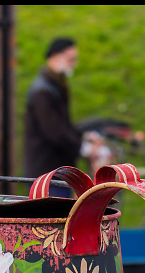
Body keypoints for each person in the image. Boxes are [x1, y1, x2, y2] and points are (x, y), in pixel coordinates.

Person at [24, 37, 108, 190]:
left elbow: (63, 126)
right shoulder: (43, 90)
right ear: (56, 57)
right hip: (48, 176)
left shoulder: (53, 86)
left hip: (54, 173)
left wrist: (83, 137)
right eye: (71, 59)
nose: (74, 63)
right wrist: (84, 148)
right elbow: (54, 132)